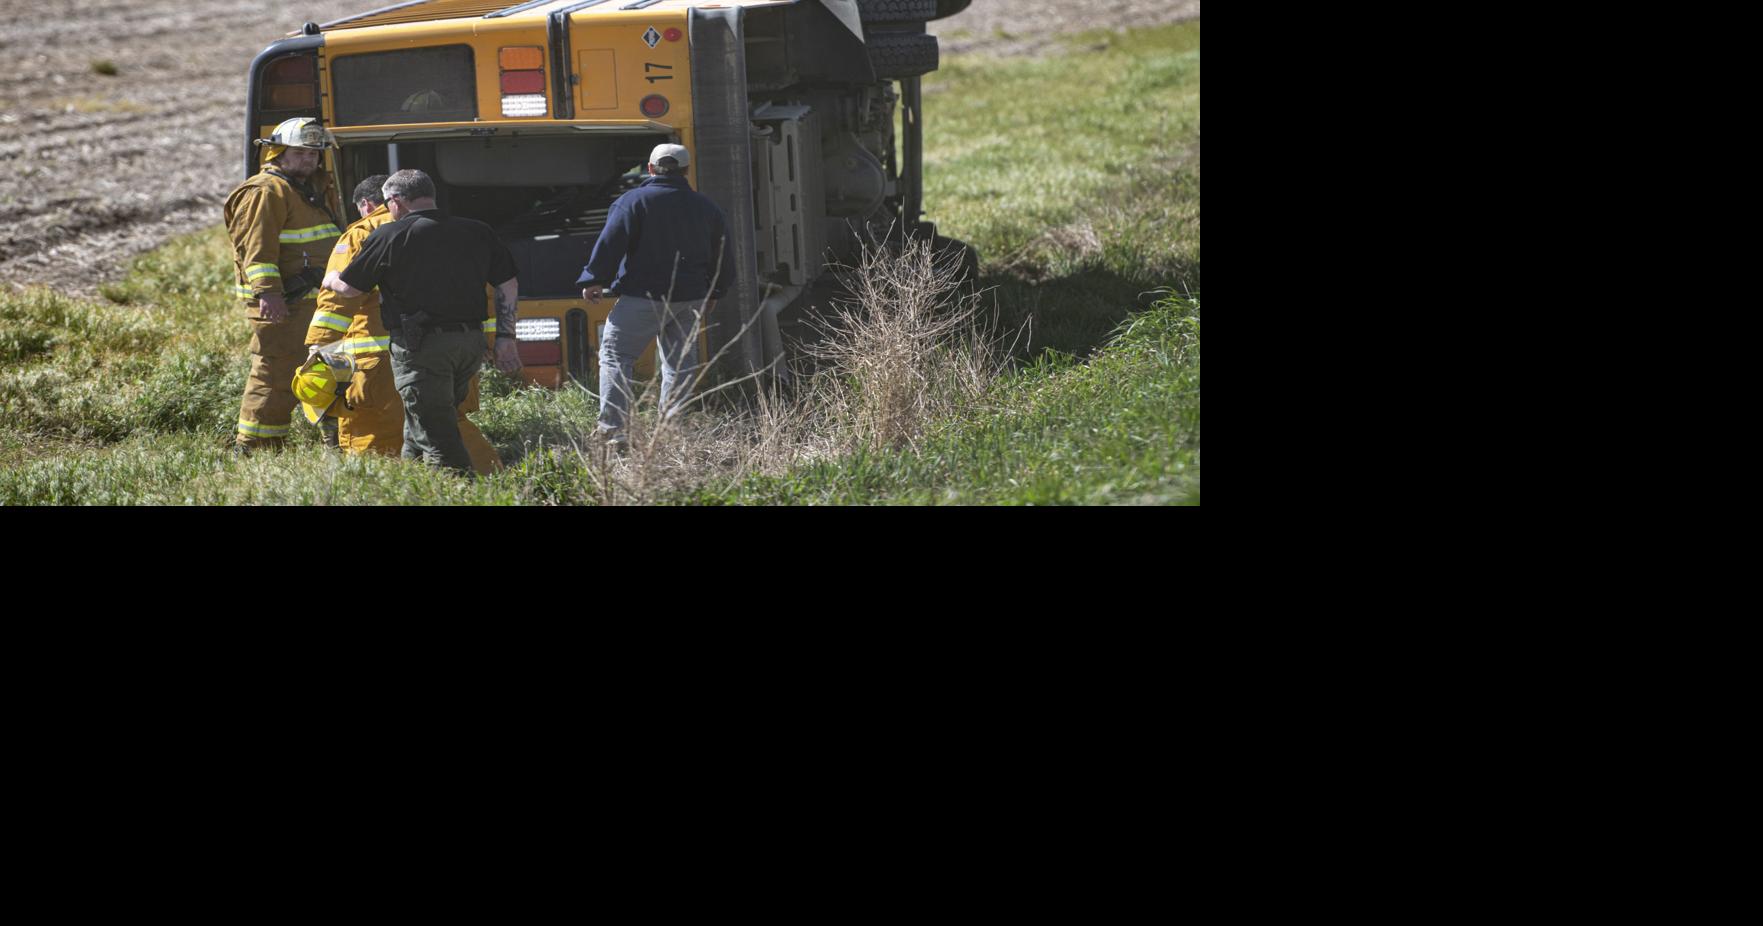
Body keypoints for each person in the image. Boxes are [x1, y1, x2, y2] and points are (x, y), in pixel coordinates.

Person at [326, 169, 521, 474]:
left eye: (387, 204)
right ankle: (410, 482)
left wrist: (331, 278)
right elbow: (507, 283)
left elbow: (351, 289)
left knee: (437, 433)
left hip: (422, 348)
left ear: (395, 201)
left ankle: (458, 488)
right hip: (469, 346)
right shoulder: (476, 230)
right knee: (422, 420)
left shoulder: (390, 235)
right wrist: (506, 337)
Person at [577, 142, 729, 449]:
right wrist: (716, 290)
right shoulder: (707, 208)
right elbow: (722, 253)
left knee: (616, 356)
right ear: (686, 171)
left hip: (642, 298)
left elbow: (611, 242)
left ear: (650, 168)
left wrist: (594, 279)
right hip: (689, 299)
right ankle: (671, 433)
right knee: (679, 366)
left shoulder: (633, 201)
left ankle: (613, 432)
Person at [225, 117, 343, 453]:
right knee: (275, 373)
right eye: (300, 152)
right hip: (284, 304)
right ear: (278, 153)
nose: (309, 159)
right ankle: (255, 446)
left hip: (313, 302)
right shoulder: (266, 191)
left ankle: (334, 441)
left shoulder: (310, 189)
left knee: (324, 369)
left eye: (314, 153)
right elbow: (256, 249)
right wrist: (269, 293)